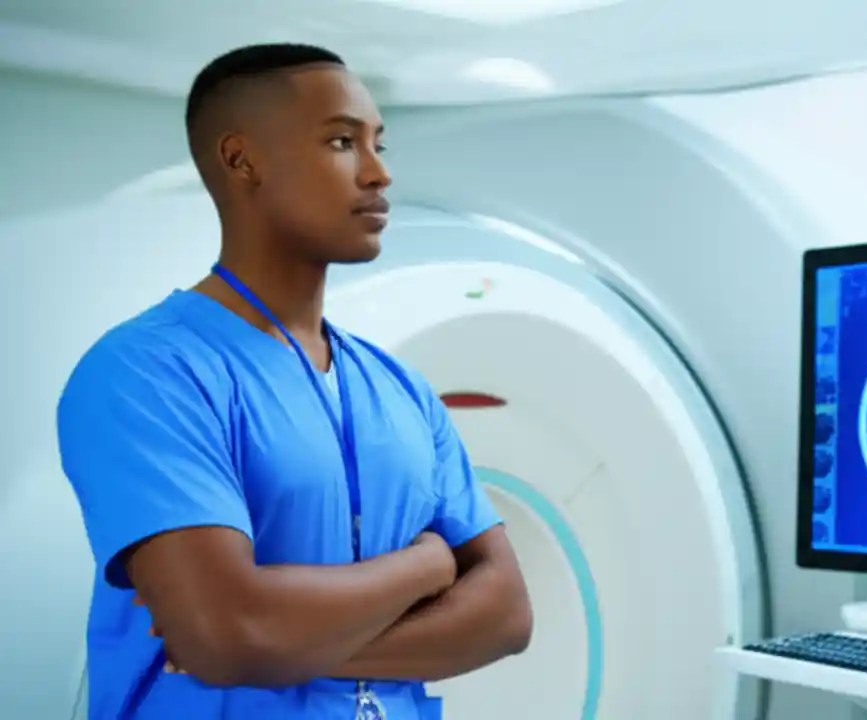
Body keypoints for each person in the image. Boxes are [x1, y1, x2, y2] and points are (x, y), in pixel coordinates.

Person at [55, 43, 532, 719]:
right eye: (342, 141)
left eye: (379, 144)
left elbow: (507, 613)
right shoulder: (148, 372)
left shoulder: (399, 388)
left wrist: (280, 641)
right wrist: (427, 569)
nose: (378, 174)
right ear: (241, 160)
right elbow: (232, 635)